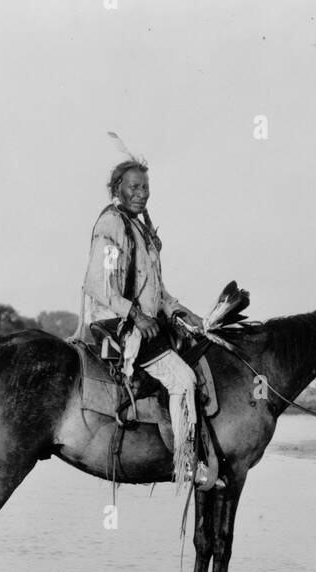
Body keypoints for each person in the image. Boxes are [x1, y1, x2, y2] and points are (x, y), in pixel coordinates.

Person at [79, 159, 214, 489]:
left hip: (142, 319)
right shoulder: (112, 226)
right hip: (116, 322)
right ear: (117, 189)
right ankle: (185, 463)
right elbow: (100, 284)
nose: (142, 194)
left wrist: (181, 312)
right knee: (183, 379)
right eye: (134, 187)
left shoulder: (137, 229)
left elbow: (156, 291)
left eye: (146, 188)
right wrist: (136, 315)